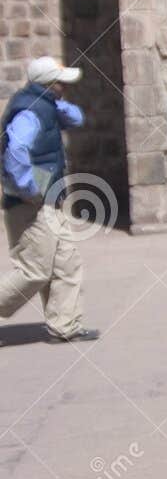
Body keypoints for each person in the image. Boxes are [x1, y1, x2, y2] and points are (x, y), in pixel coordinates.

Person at [0, 56, 98, 343]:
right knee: (35, 271)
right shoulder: (30, 111)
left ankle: (65, 326)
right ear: (47, 84)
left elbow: (76, 118)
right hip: (30, 203)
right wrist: (29, 189)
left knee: (66, 262)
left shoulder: (47, 105)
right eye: (60, 82)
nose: (65, 86)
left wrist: (57, 103)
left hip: (50, 199)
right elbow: (16, 150)